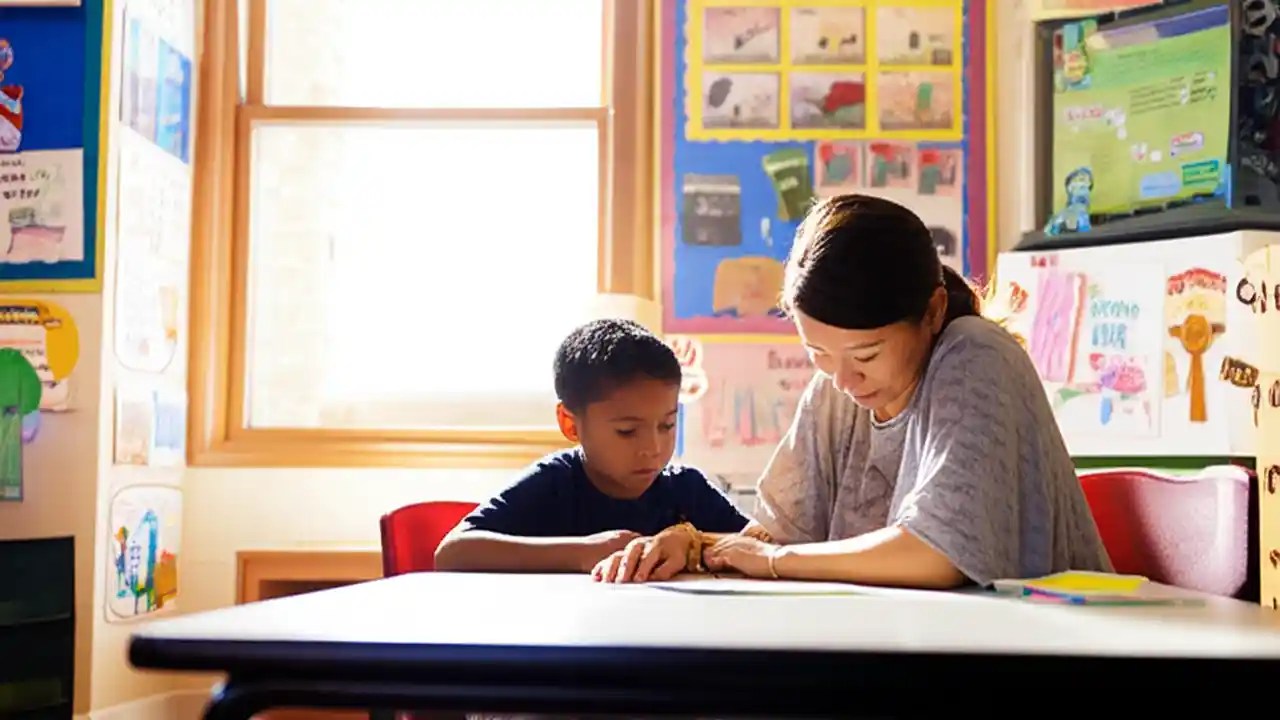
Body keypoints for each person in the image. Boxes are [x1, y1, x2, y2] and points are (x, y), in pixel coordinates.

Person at [606, 194, 1113, 588]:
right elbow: (778, 538)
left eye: (866, 355)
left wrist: (776, 561)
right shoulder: (838, 388)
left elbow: (936, 556)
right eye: (818, 354)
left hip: (1046, 663)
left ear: (933, 312)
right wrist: (693, 544)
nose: (844, 379)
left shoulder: (976, 354)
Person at [433, 318, 749, 579]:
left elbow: (763, 545)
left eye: (667, 425)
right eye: (627, 431)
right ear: (570, 423)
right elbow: (453, 552)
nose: (653, 448)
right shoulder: (554, 485)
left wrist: (691, 541)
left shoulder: (686, 489)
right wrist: (584, 552)